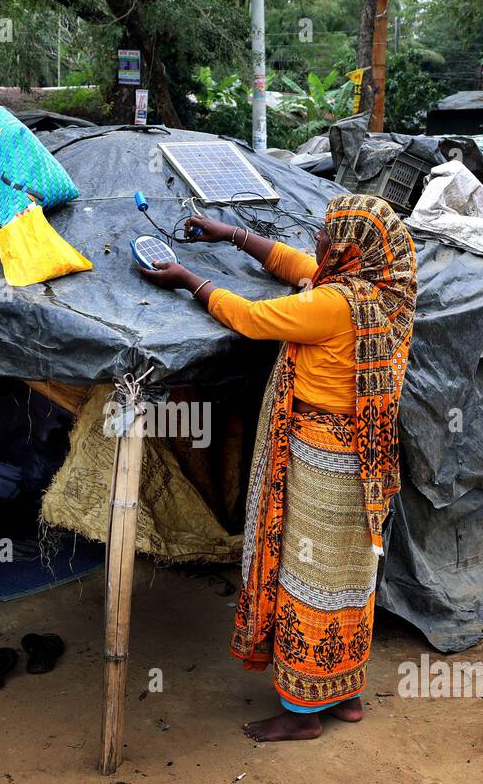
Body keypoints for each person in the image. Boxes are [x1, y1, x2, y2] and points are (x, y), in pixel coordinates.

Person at [139, 194, 417, 742]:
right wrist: (233, 235)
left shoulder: (334, 305)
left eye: (327, 236)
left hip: (322, 459)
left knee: (305, 576)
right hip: (366, 459)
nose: (317, 243)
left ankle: (300, 713)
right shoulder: (386, 292)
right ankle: (344, 695)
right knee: (347, 579)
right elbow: (298, 265)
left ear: (344, 250)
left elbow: (252, 317)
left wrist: (189, 281)